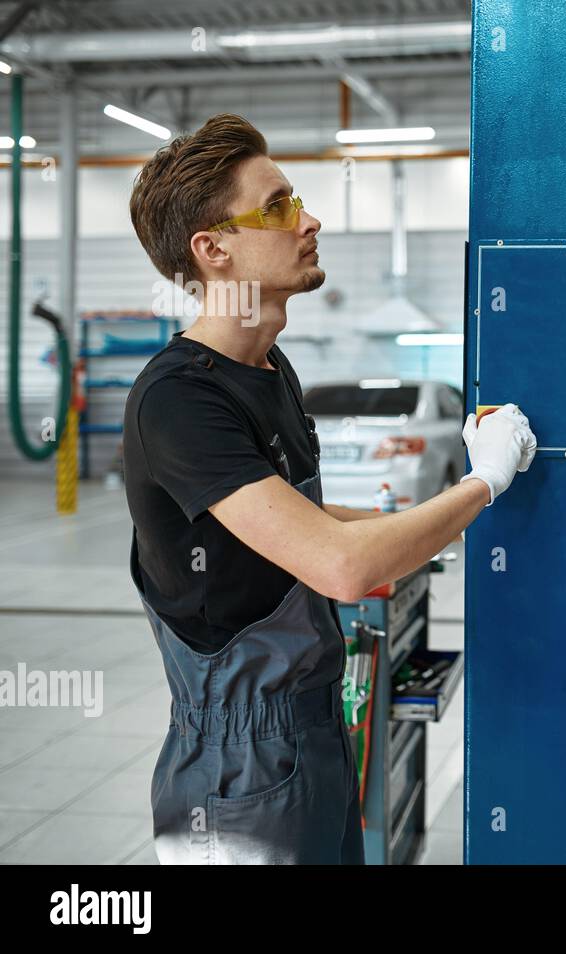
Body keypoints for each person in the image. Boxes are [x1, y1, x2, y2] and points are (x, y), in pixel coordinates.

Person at [122, 113, 535, 863]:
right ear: (211, 251)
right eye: (277, 207)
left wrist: (419, 520)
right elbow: (341, 566)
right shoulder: (178, 400)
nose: (309, 220)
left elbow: (302, 523)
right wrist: (482, 484)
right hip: (236, 765)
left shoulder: (269, 372)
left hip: (312, 732)